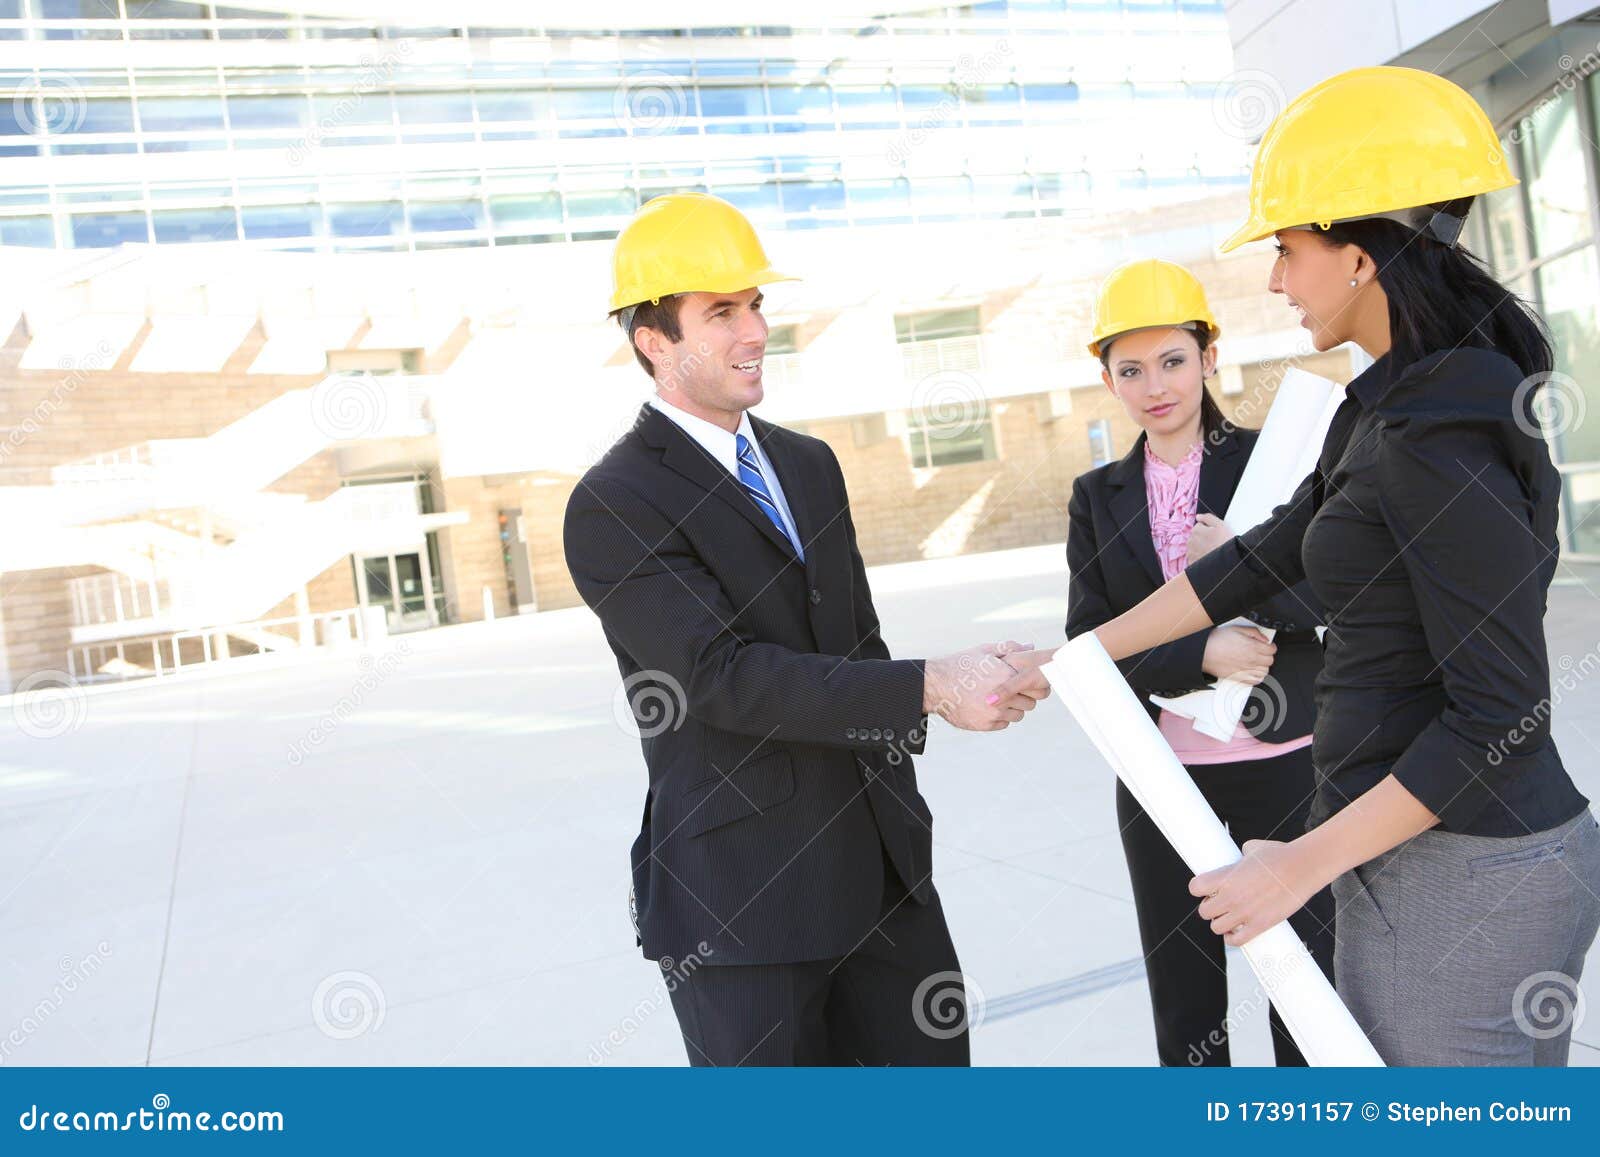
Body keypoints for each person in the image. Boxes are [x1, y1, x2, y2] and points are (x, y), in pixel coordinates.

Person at [998, 66, 1600, 1065]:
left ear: (1359, 257)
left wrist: (1295, 868)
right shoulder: (1383, 407)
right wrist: (1067, 661)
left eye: (1285, 248)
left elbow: (1495, 714)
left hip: (1470, 870)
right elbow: (1260, 559)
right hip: (1410, 854)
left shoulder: (1437, 434)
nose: (1276, 279)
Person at [563, 192, 1051, 1066]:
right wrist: (932, 685)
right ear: (653, 341)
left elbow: (852, 648)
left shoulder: (808, 464)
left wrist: (966, 681)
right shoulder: (613, 502)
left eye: (755, 305)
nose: (754, 331)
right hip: (744, 911)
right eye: (721, 313)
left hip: (883, 874)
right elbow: (722, 677)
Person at [1067, 259, 1334, 1066]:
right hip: (1160, 774)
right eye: (1132, 369)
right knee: (1185, 994)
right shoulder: (1095, 496)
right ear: (1108, 378)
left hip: (1285, 759)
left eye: (1174, 360)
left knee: (1303, 978)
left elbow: (1334, 596)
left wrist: (1246, 564)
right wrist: (1201, 647)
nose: (1157, 385)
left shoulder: (1279, 457)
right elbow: (1089, 644)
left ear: (1210, 356)